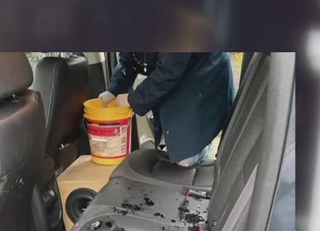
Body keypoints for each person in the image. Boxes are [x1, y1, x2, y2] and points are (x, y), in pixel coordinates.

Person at [100, 53, 235, 167]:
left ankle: (201, 150)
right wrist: (114, 90)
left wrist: (133, 99)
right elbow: (129, 58)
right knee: (168, 153)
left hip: (202, 74)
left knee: (184, 158)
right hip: (174, 70)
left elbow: (168, 71)